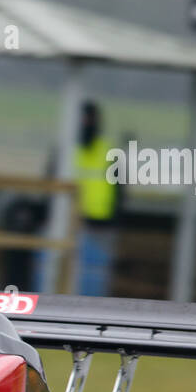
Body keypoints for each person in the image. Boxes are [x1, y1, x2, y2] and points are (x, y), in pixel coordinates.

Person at [72, 100, 118, 297]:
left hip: (101, 224)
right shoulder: (69, 149)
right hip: (72, 224)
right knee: (71, 271)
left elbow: (119, 188)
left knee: (95, 276)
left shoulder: (108, 151)